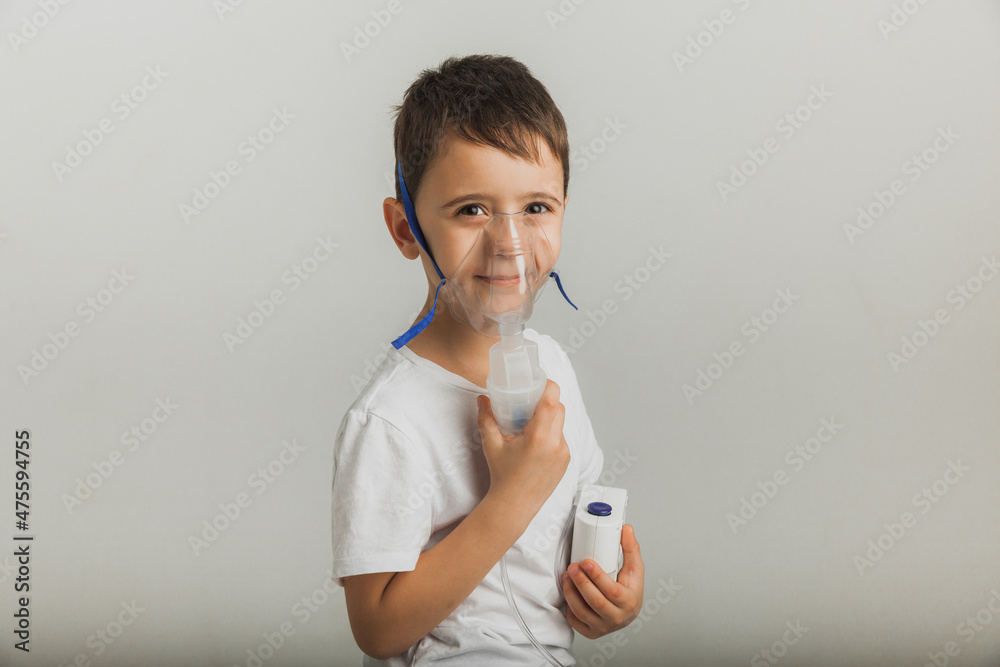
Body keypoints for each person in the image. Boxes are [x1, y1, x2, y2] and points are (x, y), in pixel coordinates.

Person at [332, 54, 644, 665]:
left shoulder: (554, 367)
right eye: (471, 209)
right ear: (405, 229)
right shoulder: (391, 421)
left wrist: (610, 592)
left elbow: (582, 509)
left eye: (536, 208)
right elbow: (376, 630)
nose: (510, 243)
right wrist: (509, 499)